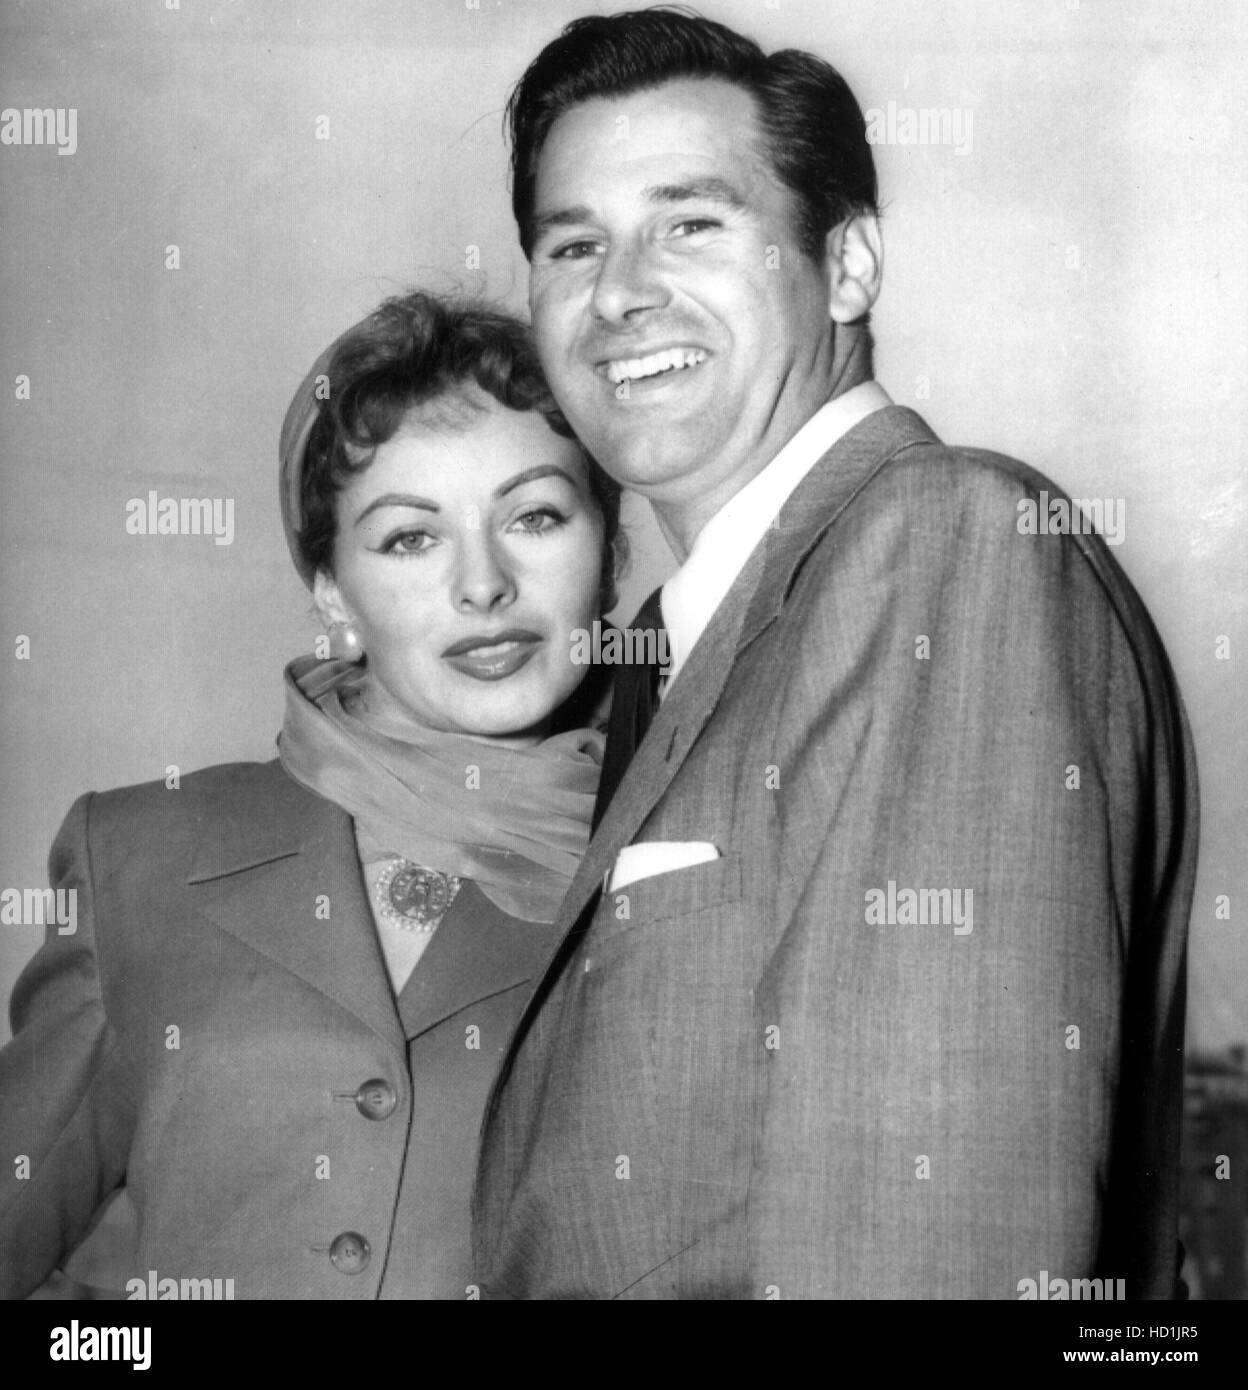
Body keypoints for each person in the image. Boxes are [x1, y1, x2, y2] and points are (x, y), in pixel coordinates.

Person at [471, 10, 1199, 1299]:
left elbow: (923, 1239)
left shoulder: (945, 545)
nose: (622, 289)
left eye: (690, 222)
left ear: (849, 264)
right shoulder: (672, 655)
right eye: (571, 242)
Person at [0, 290, 622, 1299]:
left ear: (609, 556)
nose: (484, 584)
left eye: (537, 516)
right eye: (411, 538)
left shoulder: (668, 871)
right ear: (332, 593)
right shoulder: (142, 855)